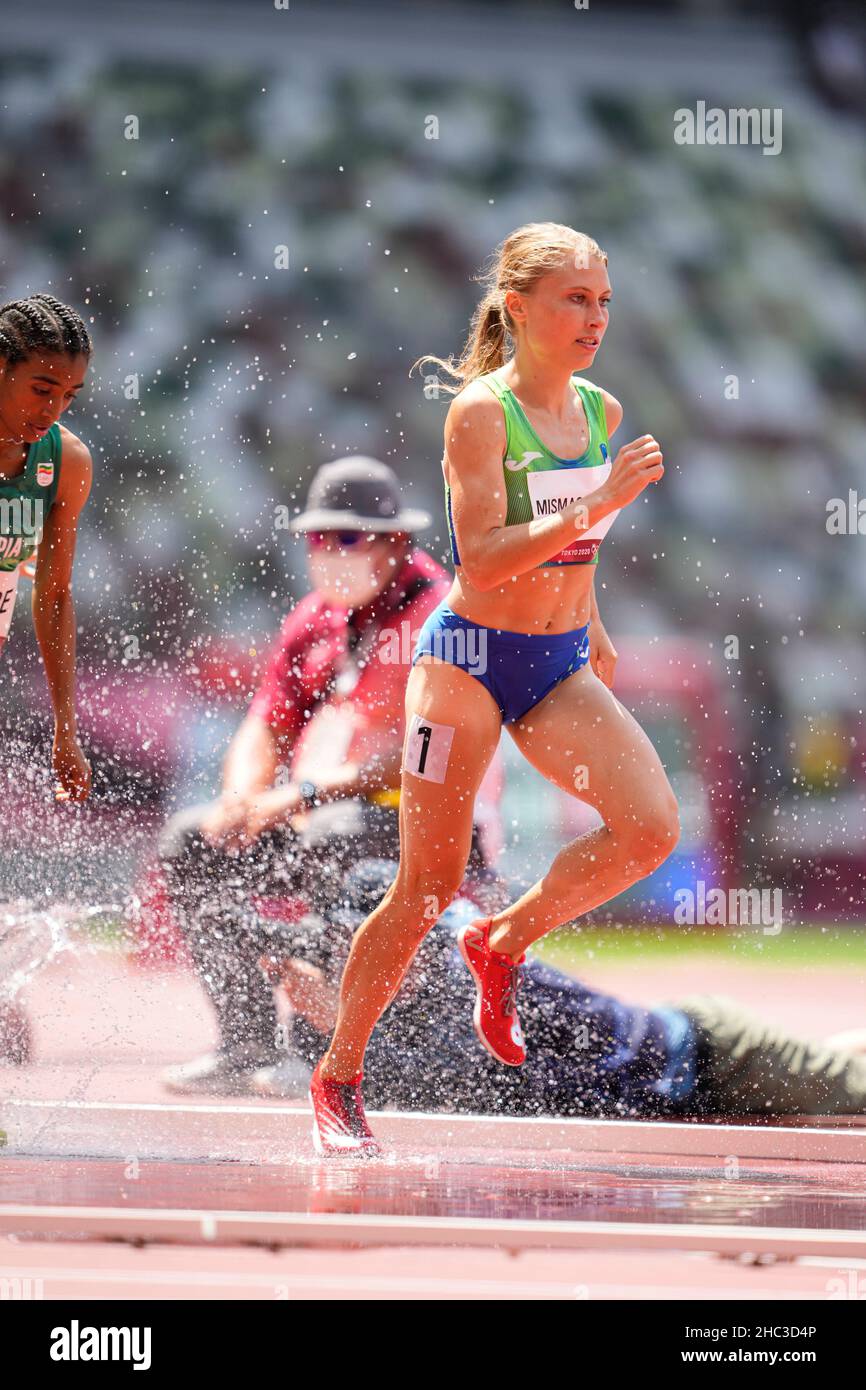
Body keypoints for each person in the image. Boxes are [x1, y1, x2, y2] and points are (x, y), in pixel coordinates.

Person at [310, 221, 680, 1155]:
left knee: (649, 830)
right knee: (426, 886)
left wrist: (590, 625)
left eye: (603, 299)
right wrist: (599, 503)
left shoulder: (598, 411)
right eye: (575, 299)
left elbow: (577, 548)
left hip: (554, 663)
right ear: (519, 307)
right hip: (467, 662)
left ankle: (504, 941)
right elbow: (477, 565)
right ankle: (340, 1074)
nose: (595, 316)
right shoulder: (481, 413)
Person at [158, 456, 499, 1096]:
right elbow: (267, 720)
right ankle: (246, 1041)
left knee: (333, 834)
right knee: (193, 842)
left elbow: (423, 748)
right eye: (317, 539)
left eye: (345, 539)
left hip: (432, 833)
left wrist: (301, 794)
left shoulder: (442, 618)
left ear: (395, 542)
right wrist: (239, 798)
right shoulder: (315, 619)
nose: (326, 554)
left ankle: (324, 1046)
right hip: (322, 813)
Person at [265, 861, 866, 1121]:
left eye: (371, 943)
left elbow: (460, 1071)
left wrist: (338, 1021)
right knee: (840, 1065)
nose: (361, 959)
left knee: (853, 1088)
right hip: (695, 1061)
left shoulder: (475, 978)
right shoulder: (440, 966)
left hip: (715, 1057)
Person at [0, 294, 93, 802]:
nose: (52, 409)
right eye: (41, 389)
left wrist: (65, 730)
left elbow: (54, 596)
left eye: (69, 396)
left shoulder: (66, 462)